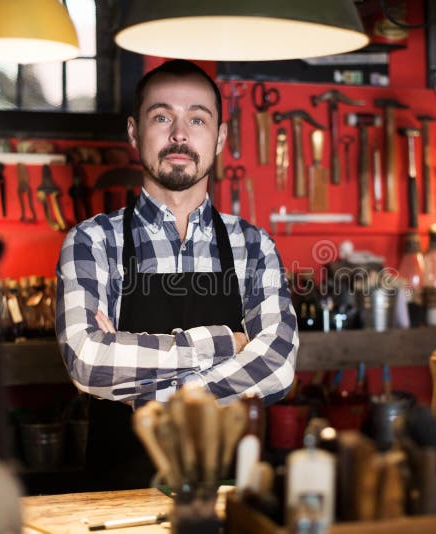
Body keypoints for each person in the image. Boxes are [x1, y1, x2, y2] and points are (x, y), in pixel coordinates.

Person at [55, 59, 299, 490]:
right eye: (163, 116)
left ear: (220, 137)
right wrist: (225, 342)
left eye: (197, 119)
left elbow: (276, 367)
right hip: (117, 497)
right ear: (134, 132)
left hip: (227, 494)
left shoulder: (254, 245)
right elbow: (89, 362)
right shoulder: (93, 241)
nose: (179, 135)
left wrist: (155, 395)